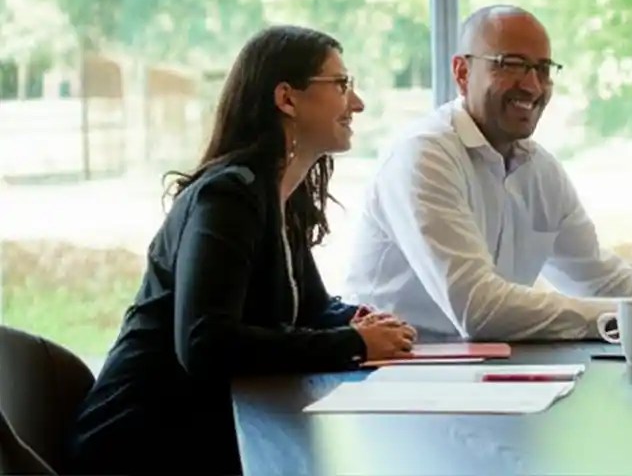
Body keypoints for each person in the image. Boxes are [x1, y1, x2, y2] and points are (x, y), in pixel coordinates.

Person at [66, 26, 417, 475]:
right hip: (138, 444)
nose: (357, 103)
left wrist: (357, 320)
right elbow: (205, 343)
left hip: (205, 436)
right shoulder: (228, 198)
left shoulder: (277, 198)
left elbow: (309, 309)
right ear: (287, 99)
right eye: (342, 84)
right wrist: (352, 342)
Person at [344, 5, 632, 341]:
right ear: (462, 73)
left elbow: (595, 275)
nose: (533, 86)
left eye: (543, 69)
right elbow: (479, 310)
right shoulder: (424, 155)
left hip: (483, 375)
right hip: (397, 379)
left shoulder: (537, 168)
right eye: (512, 65)